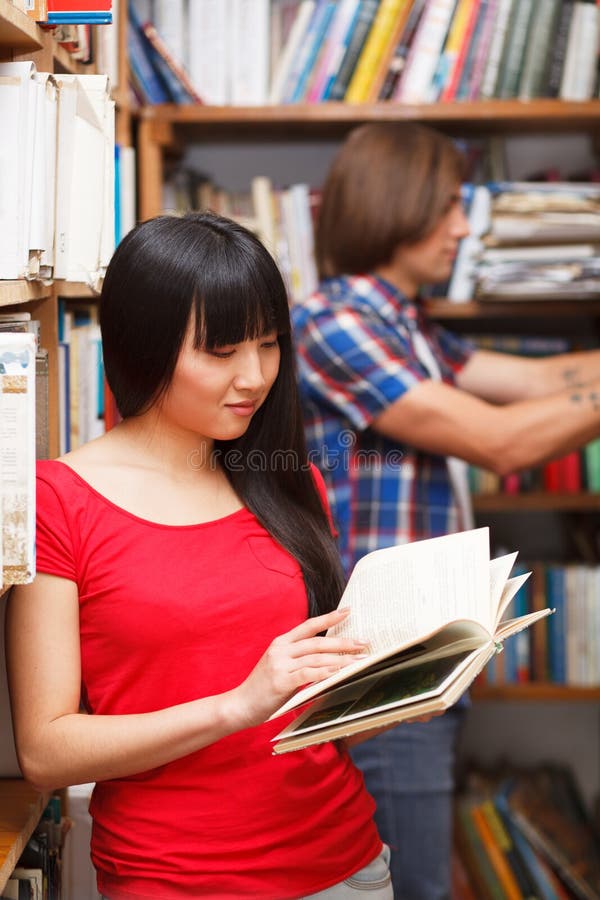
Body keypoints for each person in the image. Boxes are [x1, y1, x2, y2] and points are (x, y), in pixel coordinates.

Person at [6, 212, 395, 900]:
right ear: (142, 345)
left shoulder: (286, 481)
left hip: (347, 865)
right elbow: (44, 752)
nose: (254, 376)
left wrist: (386, 698)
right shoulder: (53, 501)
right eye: (221, 352)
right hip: (176, 879)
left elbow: (302, 711)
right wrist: (236, 705)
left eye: (270, 345)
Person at [291, 122, 600, 900]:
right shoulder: (337, 322)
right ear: (397, 206)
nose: (464, 229)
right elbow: (499, 440)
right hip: (384, 664)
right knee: (412, 886)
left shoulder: (407, 323)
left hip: (428, 652)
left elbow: (541, 381)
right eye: (450, 207)